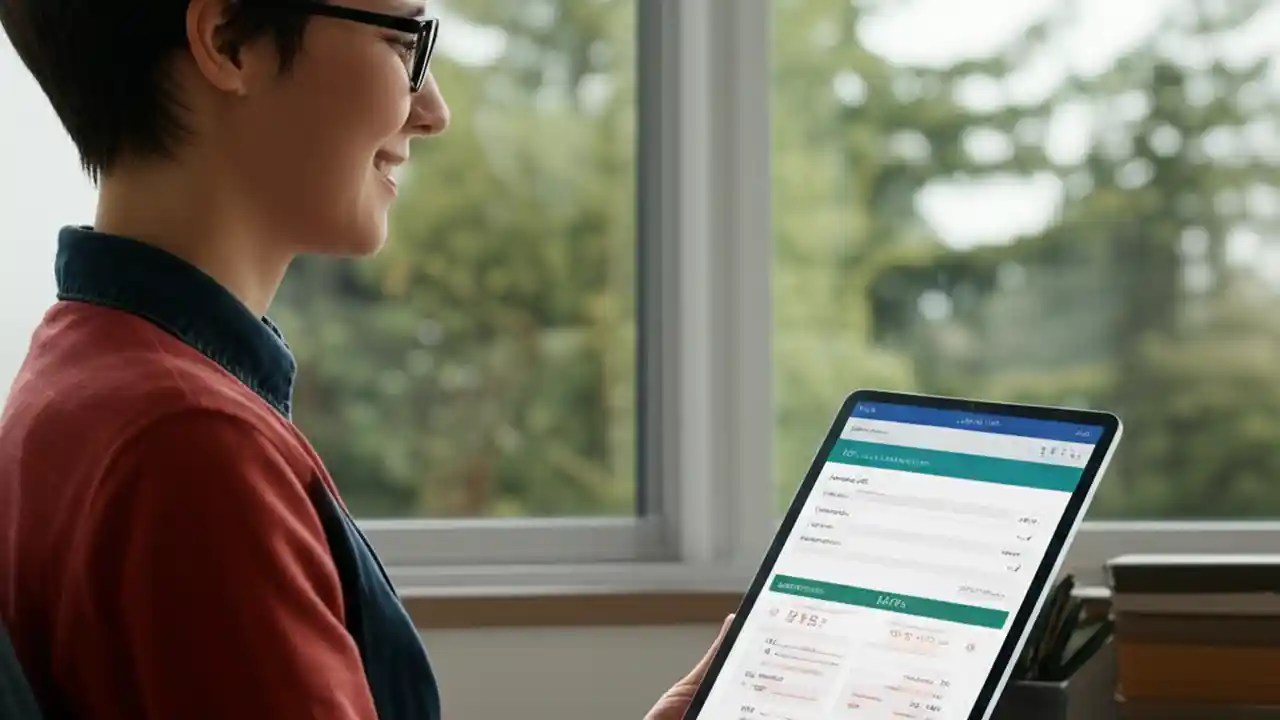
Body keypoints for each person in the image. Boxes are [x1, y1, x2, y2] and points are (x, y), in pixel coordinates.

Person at [0, 0, 728, 717]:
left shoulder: (77, 379)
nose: (433, 109)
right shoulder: (191, 444)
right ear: (227, 40)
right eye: (401, 39)